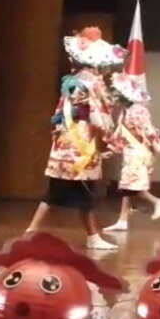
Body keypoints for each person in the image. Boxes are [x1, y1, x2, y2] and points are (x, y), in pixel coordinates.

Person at [25, 27, 125, 250]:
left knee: (64, 192)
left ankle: (36, 231)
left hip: (66, 143)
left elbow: (63, 115)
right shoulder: (92, 83)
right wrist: (110, 138)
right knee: (78, 192)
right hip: (80, 145)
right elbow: (98, 117)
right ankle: (89, 236)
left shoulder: (73, 80)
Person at [102, 72, 160, 232]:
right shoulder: (125, 112)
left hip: (138, 151)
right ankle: (122, 220)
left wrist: (154, 142)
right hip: (131, 150)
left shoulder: (138, 110)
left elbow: (147, 130)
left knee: (132, 185)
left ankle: (156, 201)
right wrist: (112, 149)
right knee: (127, 187)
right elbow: (120, 134)